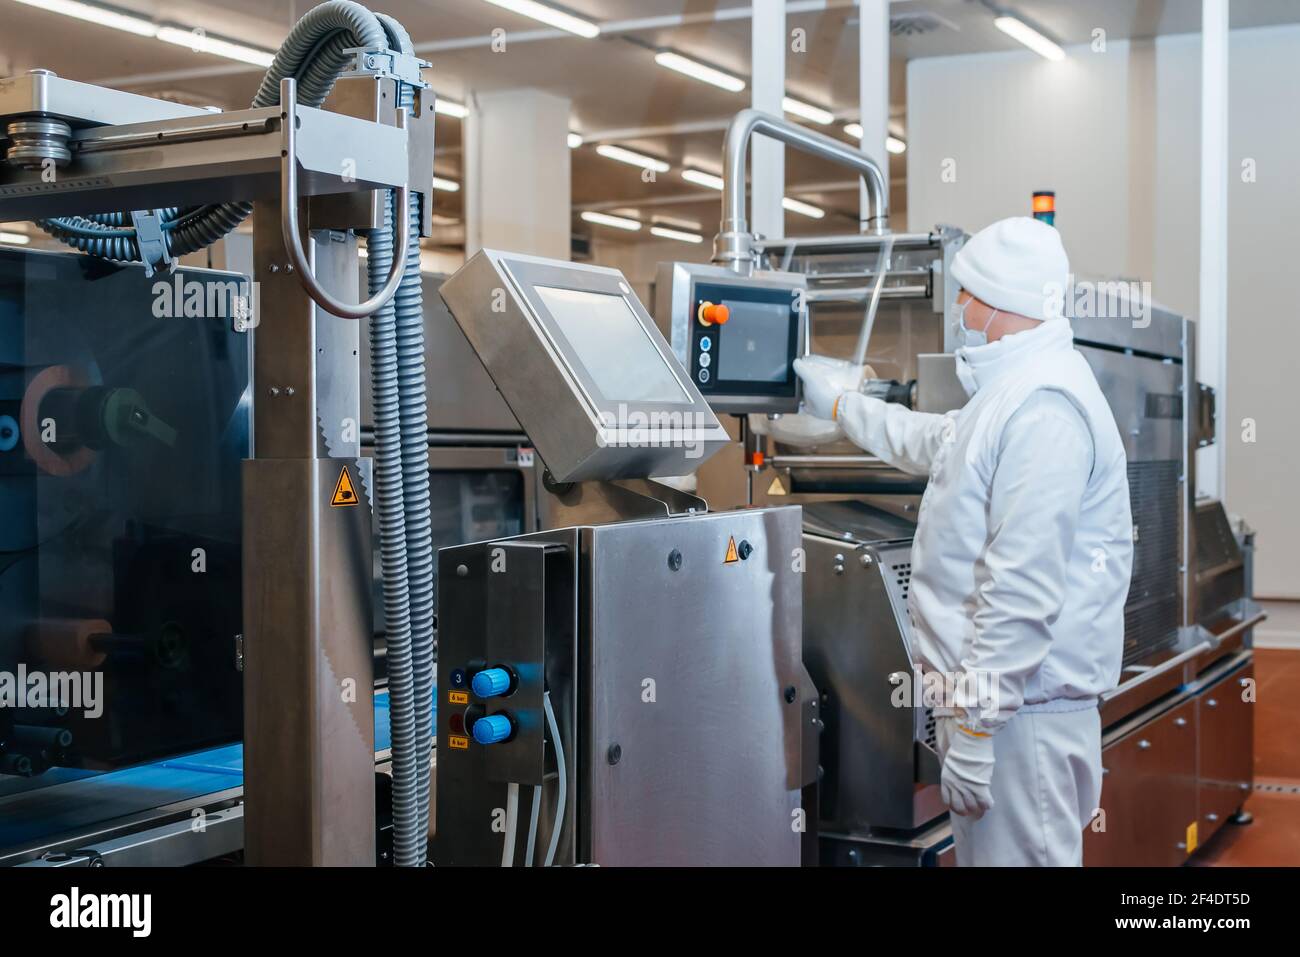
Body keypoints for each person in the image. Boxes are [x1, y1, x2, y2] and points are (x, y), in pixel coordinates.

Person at [794, 217, 1133, 866]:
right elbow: (935, 442)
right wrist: (840, 407)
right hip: (1005, 713)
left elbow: (1022, 588)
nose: (959, 310)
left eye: (966, 295)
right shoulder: (1012, 392)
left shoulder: (1045, 408)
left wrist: (976, 728)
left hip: (1018, 720)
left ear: (1001, 302)